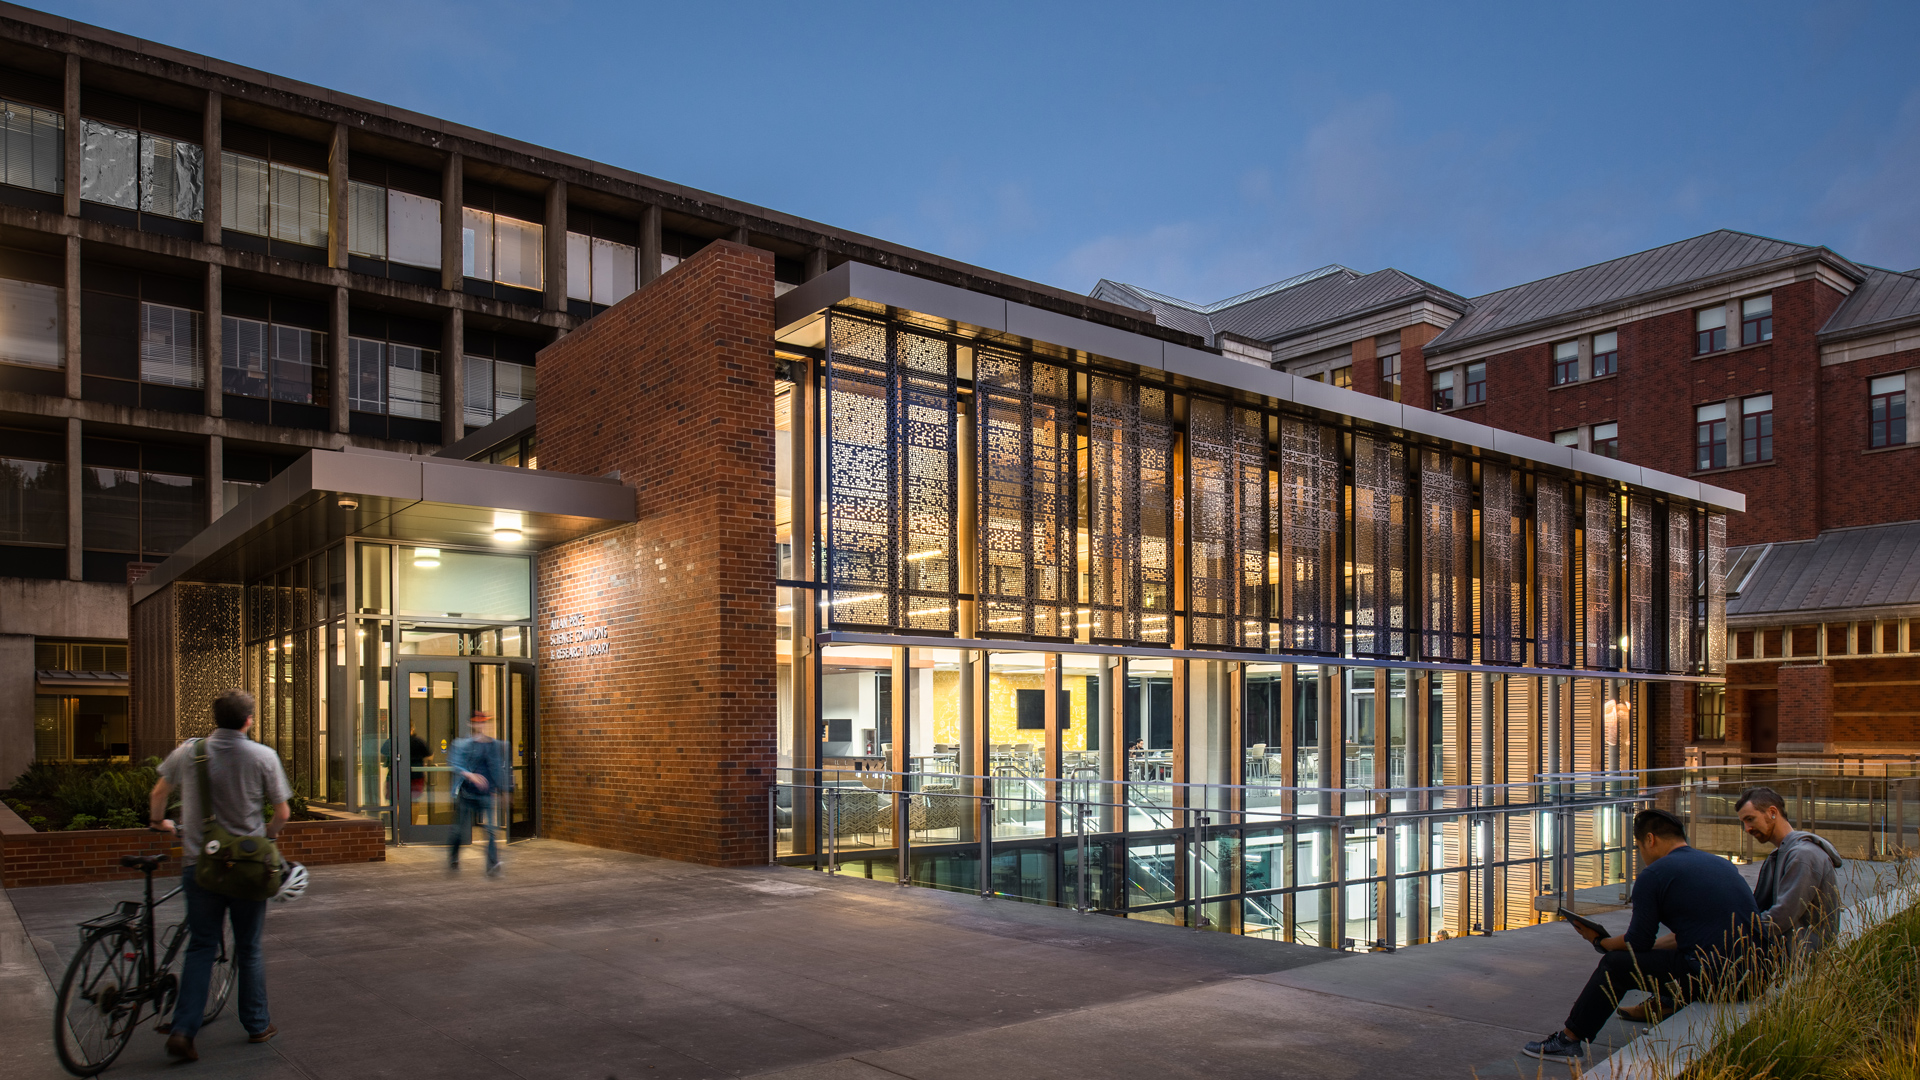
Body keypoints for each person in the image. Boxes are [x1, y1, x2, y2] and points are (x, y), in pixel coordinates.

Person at [1523, 808, 1760, 1064]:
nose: (1641, 855)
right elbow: (1687, 936)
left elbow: (1637, 942)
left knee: (1615, 965)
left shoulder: (1654, 874)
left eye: (1638, 847)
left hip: (1716, 979)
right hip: (1754, 976)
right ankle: (1665, 1003)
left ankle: (1568, 1041)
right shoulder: (1720, 864)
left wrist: (1599, 941)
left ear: (1650, 839)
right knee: (1661, 959)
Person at [148, 689, 291, 1063]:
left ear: (216, 718)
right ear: (248, 720)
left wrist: (159, 821)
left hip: (201, 866)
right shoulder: (264, 756)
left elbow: (159, 792)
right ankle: (257, 1025)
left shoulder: (188, 753)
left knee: (201, 946)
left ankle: (183, 1031)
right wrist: (269, 835)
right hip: (247, 869)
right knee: (249, 947)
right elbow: (282, 813)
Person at [1738, 786, 1844, 957]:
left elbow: (1782, 916)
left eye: (1750, 819)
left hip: (1807, 966)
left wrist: (1734, 930)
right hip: (1792, 962)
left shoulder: (1803, 856)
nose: (1747, 828)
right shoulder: (1780, 855)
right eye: (1743, 822)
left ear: (1772, 812)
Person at [447, 712, 510, 874]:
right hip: (467, 793)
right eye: (478, 722)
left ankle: (492, 864)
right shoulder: (462, 744)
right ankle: (453, 858)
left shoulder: (494, 745)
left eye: (484, 722)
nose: (481, 725)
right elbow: (455, 763)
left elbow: (496, 768)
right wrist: (470, 775)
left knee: (490, 829)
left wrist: (503, 790)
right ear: (472, 725)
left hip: (486, 794)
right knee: (459, 830)